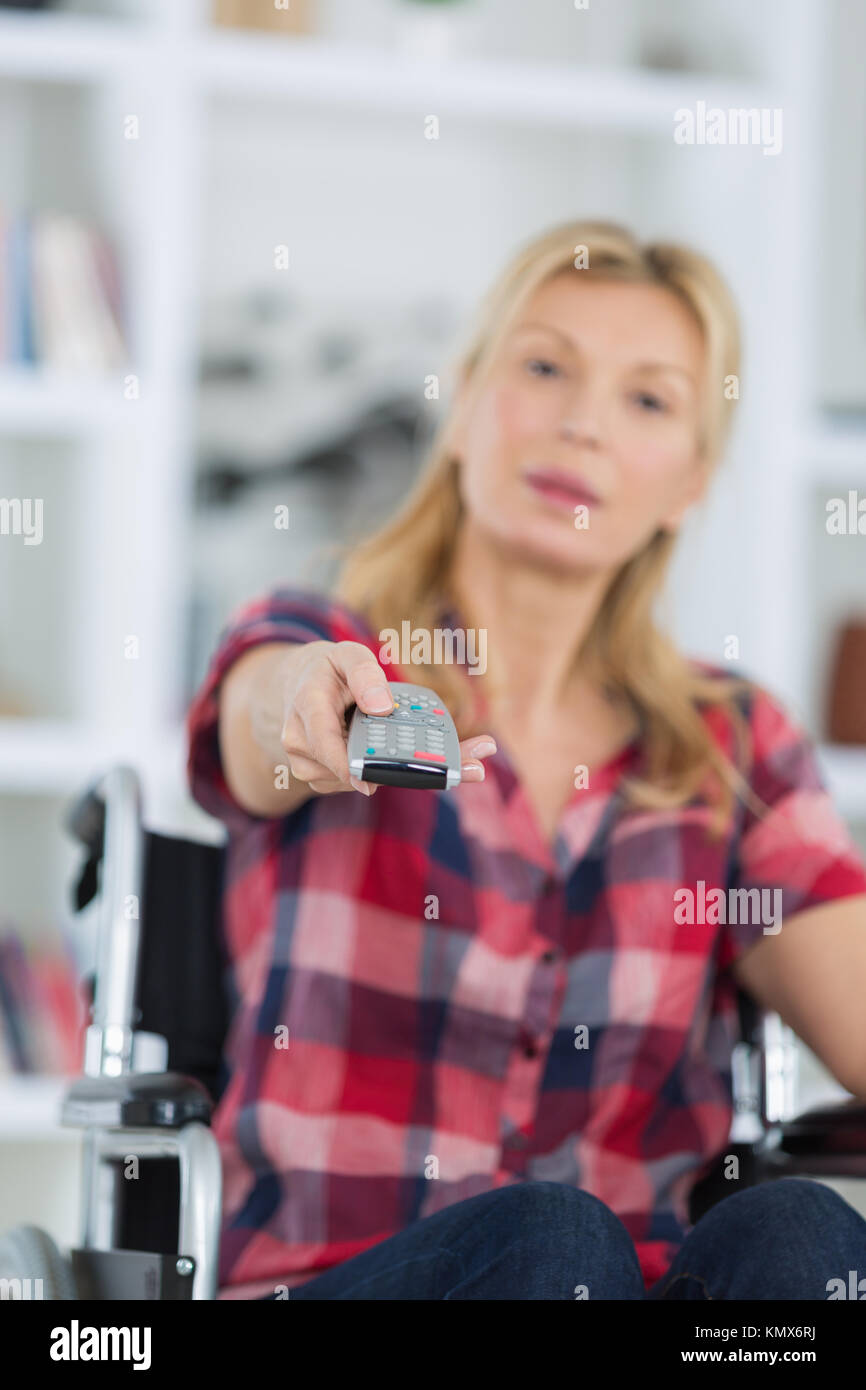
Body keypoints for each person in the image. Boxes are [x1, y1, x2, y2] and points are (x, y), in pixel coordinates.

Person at [187, 219, 866, 1300]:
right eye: (544, 366)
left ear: (689, 478)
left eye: (645, 399)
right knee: (549, 1243)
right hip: (336, 1283)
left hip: (634, 1290)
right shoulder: (325, 645)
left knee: (795, 1230)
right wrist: (304, 711)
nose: (581, 422)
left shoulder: (732, 747)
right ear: (462, 404)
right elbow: (262, 712)